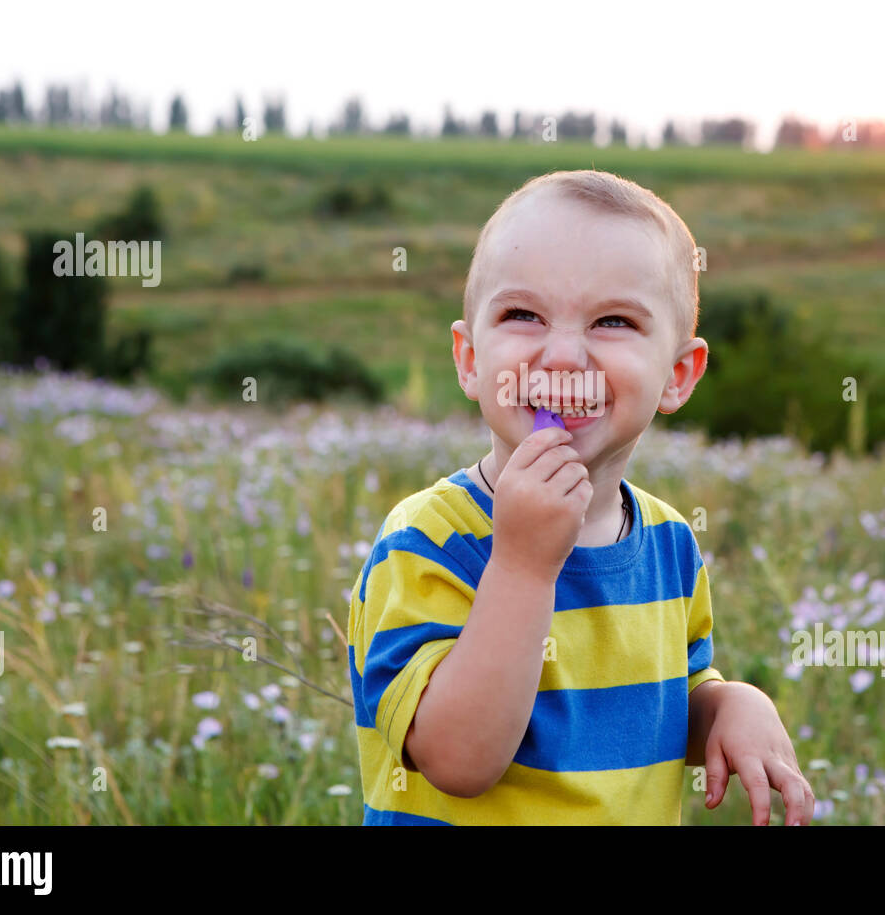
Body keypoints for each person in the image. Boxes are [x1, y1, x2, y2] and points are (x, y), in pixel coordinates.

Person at [348, 169, 812, 824]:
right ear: (469, 359)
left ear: (678, 375)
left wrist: (728, 705)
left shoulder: (668, 541)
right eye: (522, 314)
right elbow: (458, 758)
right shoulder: (430, 539)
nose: (563, 356)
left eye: (613, 321)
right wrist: (523, 564)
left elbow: (661, 703)